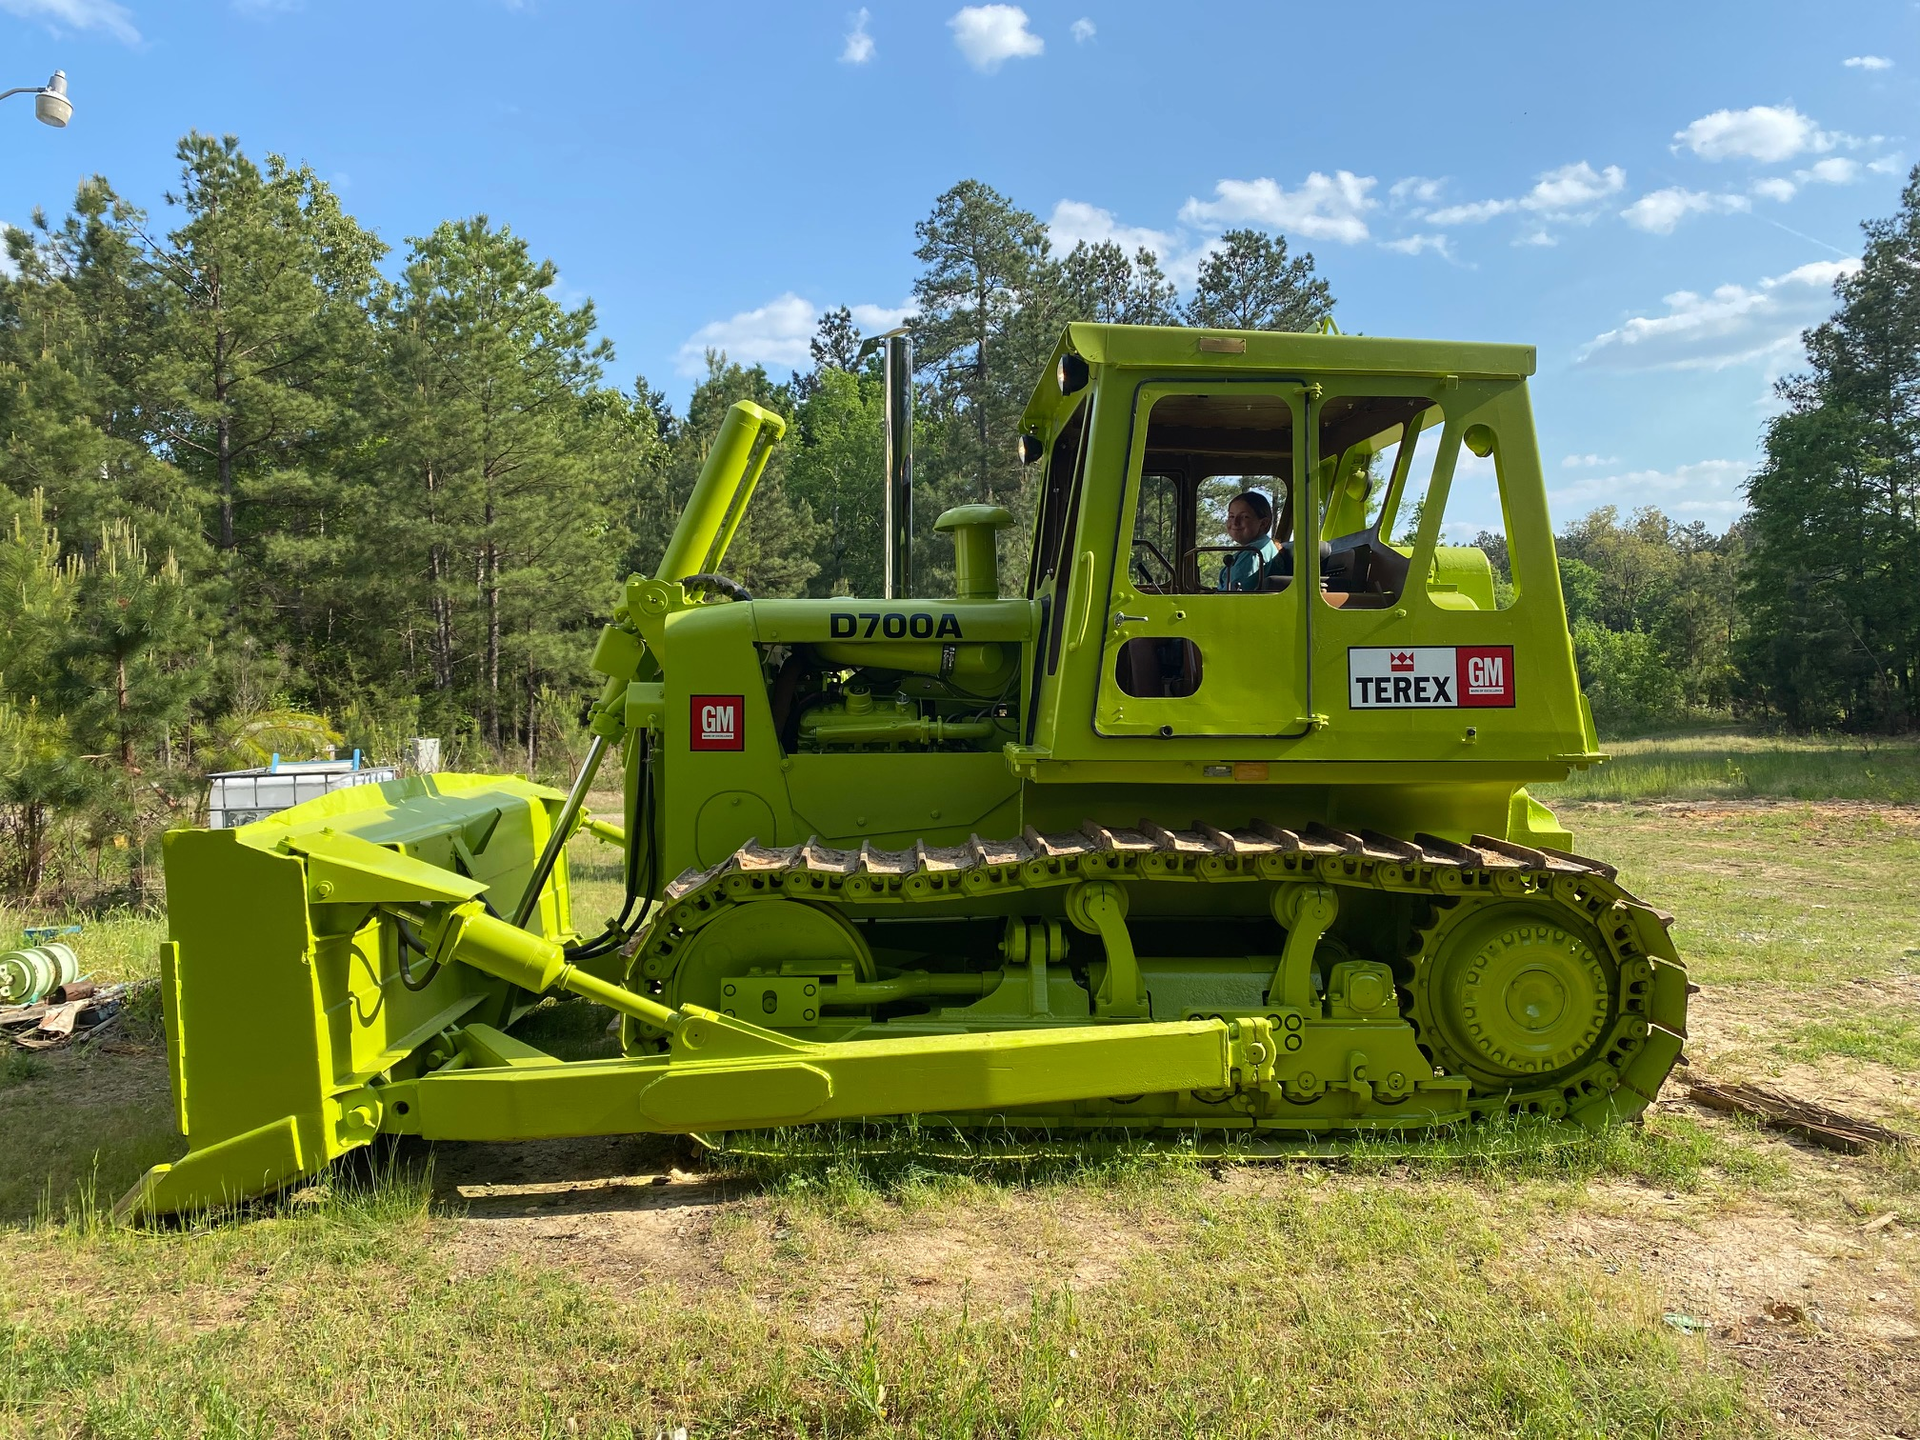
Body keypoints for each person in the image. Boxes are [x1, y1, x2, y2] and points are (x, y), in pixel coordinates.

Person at [1218, 490, 1278, 592]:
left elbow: (1232, 597)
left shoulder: (1253, 554)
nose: (1235, 522)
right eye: (1231, 516)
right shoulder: (1256, 548)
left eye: (1244, 517)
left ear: (1263, 523)